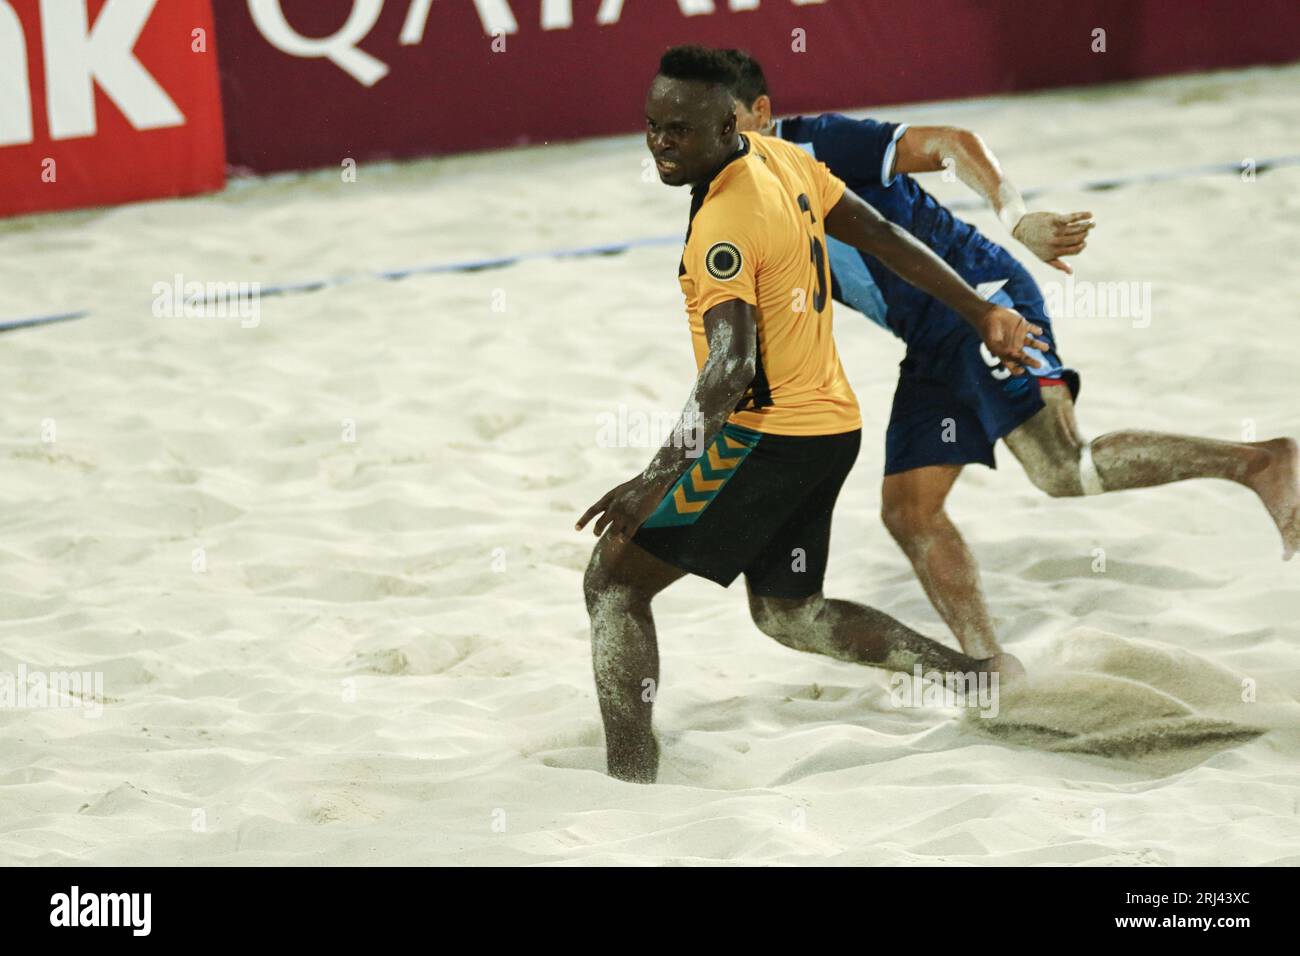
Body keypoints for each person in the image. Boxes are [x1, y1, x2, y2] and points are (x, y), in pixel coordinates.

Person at [721, 48, 1300, 660]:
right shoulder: (735, 203)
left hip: (984, 301)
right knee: (909, 511)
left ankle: (1258, 462)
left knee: (1062, 468)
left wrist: (1016, 216)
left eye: (721, 121)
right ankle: (990, 665)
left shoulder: (819, 143)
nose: (708, 139)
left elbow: (950, 140)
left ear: (760, 112)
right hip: (927, 337)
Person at [577, 46, 1045, 783]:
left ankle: (629, 773)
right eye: (653, 125)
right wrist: (980, 308)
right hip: (830, 430)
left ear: (729, 125)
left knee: (614, 582)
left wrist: (653, 477)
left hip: (765, 439)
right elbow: (888, 239)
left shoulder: (724, 225)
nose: (662, 144)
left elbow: (729, 371)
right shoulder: (785, 159)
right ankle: (975, 675)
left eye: (681, 130)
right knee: (790, 613)